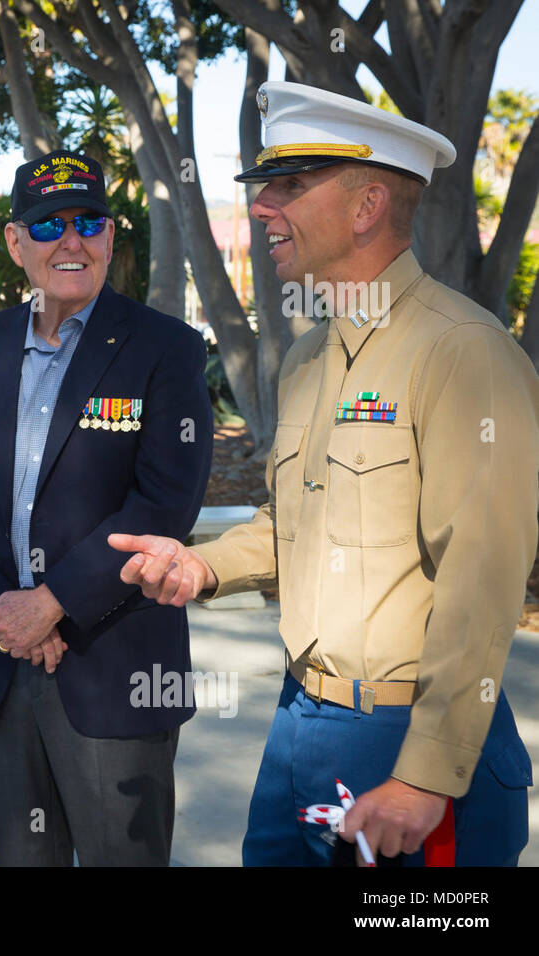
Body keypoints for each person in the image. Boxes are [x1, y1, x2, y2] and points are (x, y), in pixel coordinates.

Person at [111, 81, 537, 866]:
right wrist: (199, 564)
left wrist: (427, 774)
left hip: (409, 739)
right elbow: (290, 528)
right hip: (301, 723)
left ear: (368, 204)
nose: (264, 206)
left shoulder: (463, 352)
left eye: (290, 186)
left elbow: (482, 582)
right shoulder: (309, 357)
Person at [0, 150, 213, 866]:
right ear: (17, 244)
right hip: (0, 665)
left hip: (114, 669)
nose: (70, 240)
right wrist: (5, 614)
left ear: (110, 237)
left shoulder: (167, 350)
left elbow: (165, 502)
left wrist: (52, 603)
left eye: (89, 221)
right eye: (48, 224)